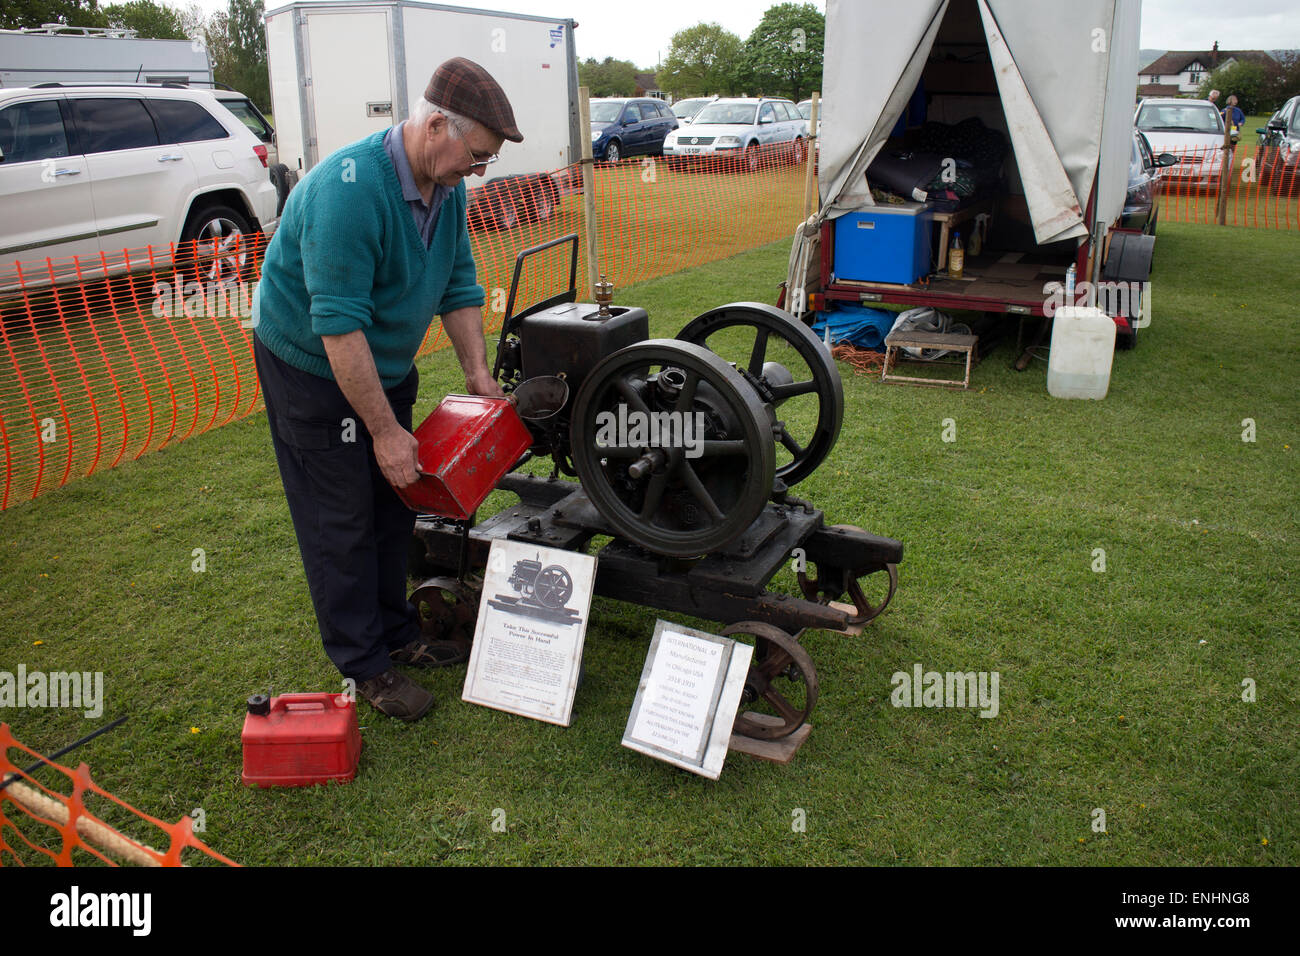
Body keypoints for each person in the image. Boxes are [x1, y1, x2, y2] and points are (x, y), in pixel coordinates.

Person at [251, 58, 523, 721]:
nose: (478, 170)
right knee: (339, 515)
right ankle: (364, 664)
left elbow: (459, 280)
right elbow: (339, 328)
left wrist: (476, 373)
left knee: (397, 501)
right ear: (436, 127)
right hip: (311, 365)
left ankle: (399, 634)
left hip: (382, 361)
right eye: (477, 156)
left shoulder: (447, 188)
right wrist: (381, 430)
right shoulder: (346, 192)